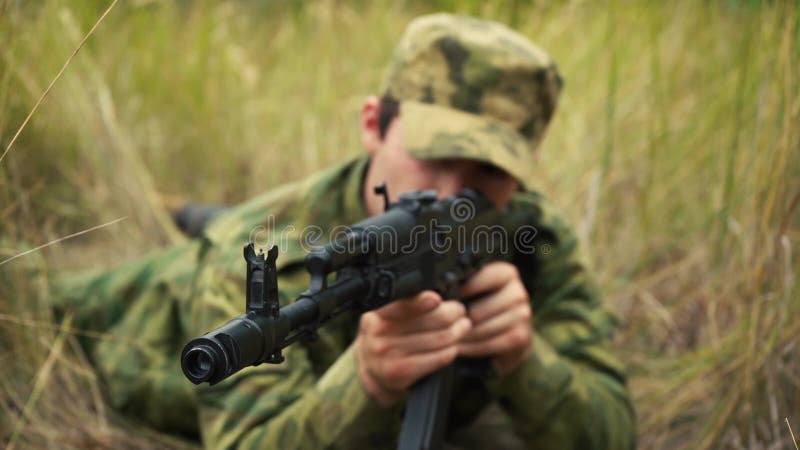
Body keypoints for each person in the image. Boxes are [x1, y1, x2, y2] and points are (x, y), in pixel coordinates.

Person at [55, 13, 635, 449]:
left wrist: (525, 359)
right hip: (94, 317)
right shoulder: (257, 254)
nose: (451, 194)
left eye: (488, 170)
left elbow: (614, 434)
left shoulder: (529, 233)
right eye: (433, 154)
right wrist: (366, 383)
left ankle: (185, 211)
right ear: (371, 125)